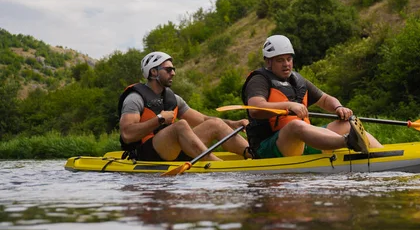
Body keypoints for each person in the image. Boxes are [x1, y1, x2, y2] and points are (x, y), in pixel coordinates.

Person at [241, 35, 382, 158]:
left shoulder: (297, 80)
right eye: (280, 60)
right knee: (295, 125)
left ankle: (380, 154)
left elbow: (326, 100)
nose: (286, 64)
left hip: (302, 143)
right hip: (268, 148)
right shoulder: (259, 80)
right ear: (268, 61)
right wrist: (289, 105)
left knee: (346, 124)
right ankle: (348, 142)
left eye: (289, 59)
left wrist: (338, 107)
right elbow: (255, 108)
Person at [119, 51, 251, 162]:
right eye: (168, 70)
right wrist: (159, 119)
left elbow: (203, 120)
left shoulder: (173, 99)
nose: (173, 73)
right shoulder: (135, 98)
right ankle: (215, 163)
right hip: (145, 155)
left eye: (173, 69)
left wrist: (232, 123)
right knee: (180, 125)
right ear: (153, 72)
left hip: (172, 150)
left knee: (214, 123)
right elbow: (127, 134)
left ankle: (253, 154)